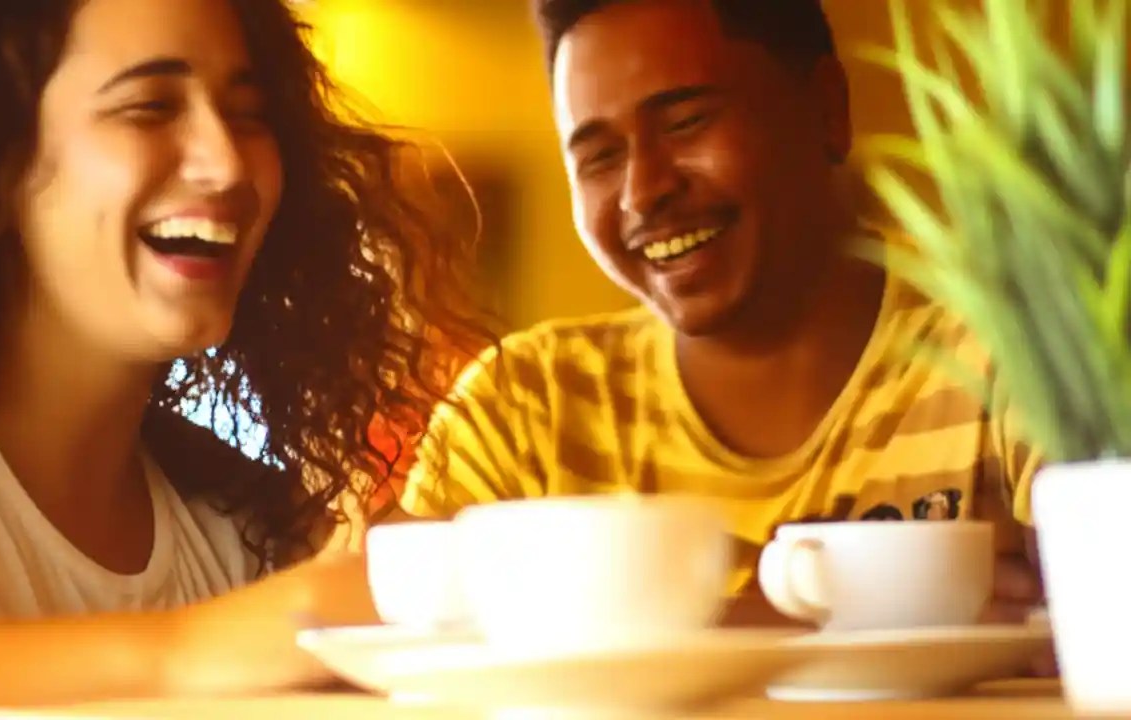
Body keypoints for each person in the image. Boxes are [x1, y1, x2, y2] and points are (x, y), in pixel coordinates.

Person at [0, 0, 484, 714]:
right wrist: (185, 653)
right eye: (150, 106)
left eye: (249, 114)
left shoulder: (241, 528)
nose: (227, 163)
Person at [399, 0, 1045, 629]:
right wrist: (839, 616)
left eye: (686, 122)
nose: (644, 190)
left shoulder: (1025, 346)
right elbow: (401, 642)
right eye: (599, 157)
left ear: (826, 107)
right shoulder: (522, 408)